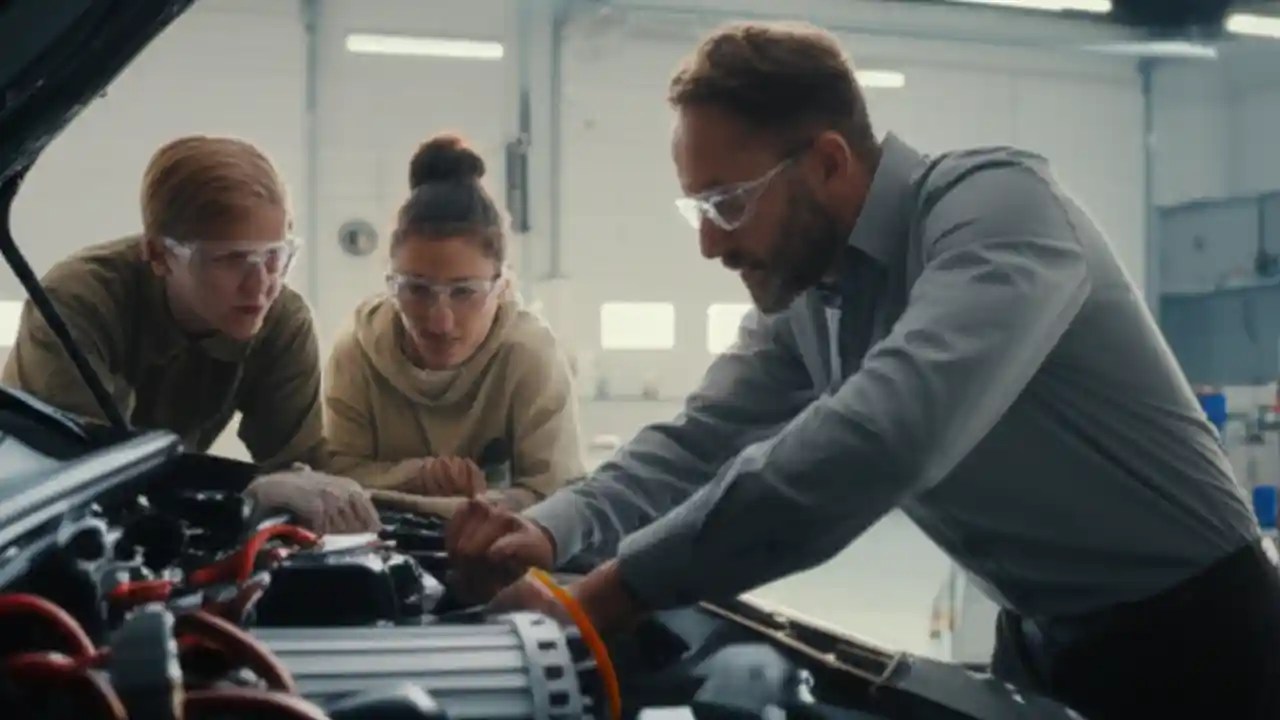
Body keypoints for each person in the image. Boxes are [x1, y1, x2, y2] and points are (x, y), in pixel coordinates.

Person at [445, 21, 1280, 720]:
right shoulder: (814, 295)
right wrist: (551, 530)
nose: (710, 242)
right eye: (697, 208)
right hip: (1041, 639)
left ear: (829, 162)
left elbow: (881, 435)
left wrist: (611, 593)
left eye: (728, 202)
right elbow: (699, 440)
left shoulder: (1000, 213)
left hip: (1205, 641)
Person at [2, 134, 378, 534]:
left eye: (275, 256)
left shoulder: (282, 320)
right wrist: (246, 493)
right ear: (159, 255)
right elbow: (83, 473)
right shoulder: (77, 303)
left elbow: (299, 467)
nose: (261, 286)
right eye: (230, 259)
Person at [324, 134, 584, 513]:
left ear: (502, 286)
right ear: (390, 283)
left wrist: (402, 490)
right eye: (416, 289)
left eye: (464, 292)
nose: (440, 322)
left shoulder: (529, 354)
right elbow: (331, 476)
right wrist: (419, 475)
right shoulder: (356, 351)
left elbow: (560, 498)